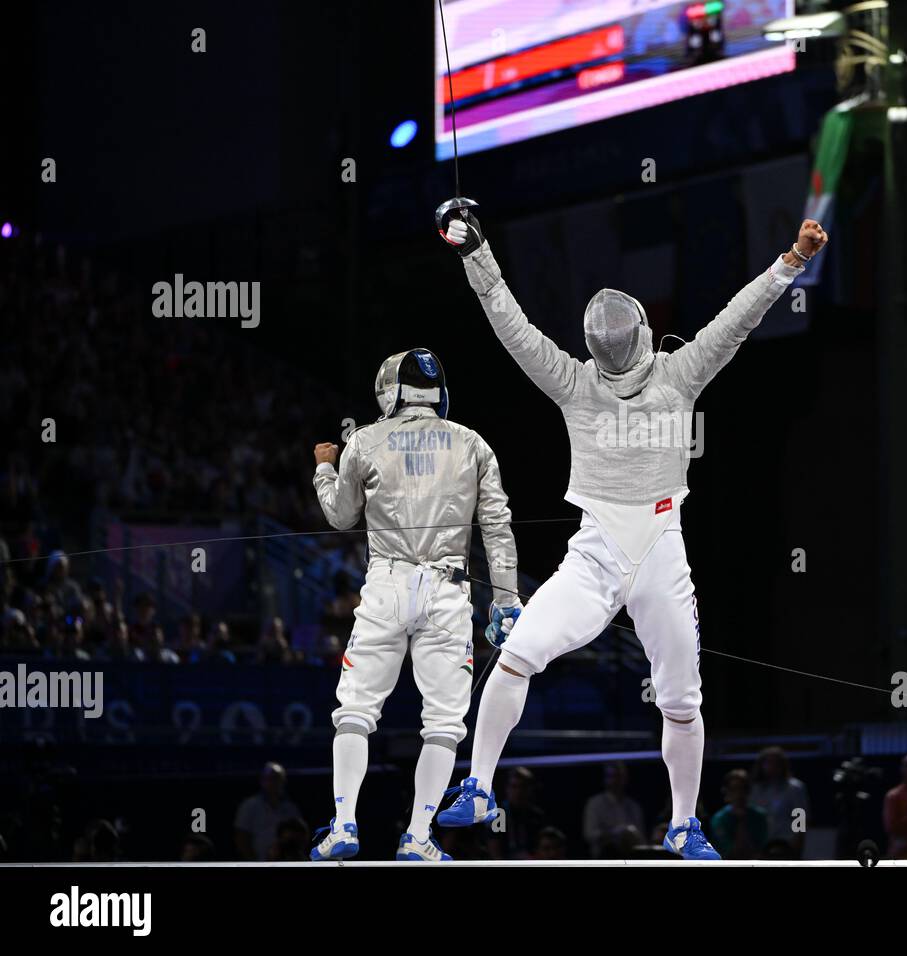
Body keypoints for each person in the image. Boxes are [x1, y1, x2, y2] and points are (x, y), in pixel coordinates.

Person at [436, 204, 827, 861]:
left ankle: (480, 782)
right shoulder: (679, 377)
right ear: (646, 333)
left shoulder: (571, 382)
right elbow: (736, 322)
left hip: (600, 556)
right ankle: (680, 824)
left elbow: (508, 321)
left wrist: (474, 250)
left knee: (518, 657)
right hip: (649, 552)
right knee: (679, 702)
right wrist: (792, 260)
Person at [309, 348, 521, 863]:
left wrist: (323, 470)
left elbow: (339, 516)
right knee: (444, 723)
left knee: (356, 710)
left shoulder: (364, 440)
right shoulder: (472, 443)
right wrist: (507, 602)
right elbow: (497, 526)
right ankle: (419, 836)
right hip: (448, 593)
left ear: (390, 392)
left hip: (386, 586)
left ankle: (343, 826)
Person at [234, 762, 302, 861]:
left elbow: (299, 836)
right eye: (270, 778)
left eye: (277, 779)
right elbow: (241, 837)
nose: (274, 783)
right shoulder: (249, 806)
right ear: (262, 781)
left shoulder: (291, 808)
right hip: (257, 864)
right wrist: (253, 863)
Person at [750, 746, 809, 856]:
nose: (772, 766)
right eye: (768, 762)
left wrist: (798, 840)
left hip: (787, 843)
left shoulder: (795, 788)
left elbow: (800, 816)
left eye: (776, 763)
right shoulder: (756, 789)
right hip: (762, 844)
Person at [581, 761, 647, 858]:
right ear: (605, 779)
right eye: (611, 776)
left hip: (631, 857)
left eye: (619, 776)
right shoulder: (595, 803)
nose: (615, 780)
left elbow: (642, 839)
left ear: (625, 778)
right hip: (604, 858)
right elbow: (590, 834)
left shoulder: (634, 806)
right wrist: (615, 834)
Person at [709, 769, 769, 859]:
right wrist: (740, 821)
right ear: (726, 791)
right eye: (734, 789)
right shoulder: (719, 819)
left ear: (748, 791)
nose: (739, 794)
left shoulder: (760, 816)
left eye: (743, 788)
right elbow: (732, 853)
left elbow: (760, 851)